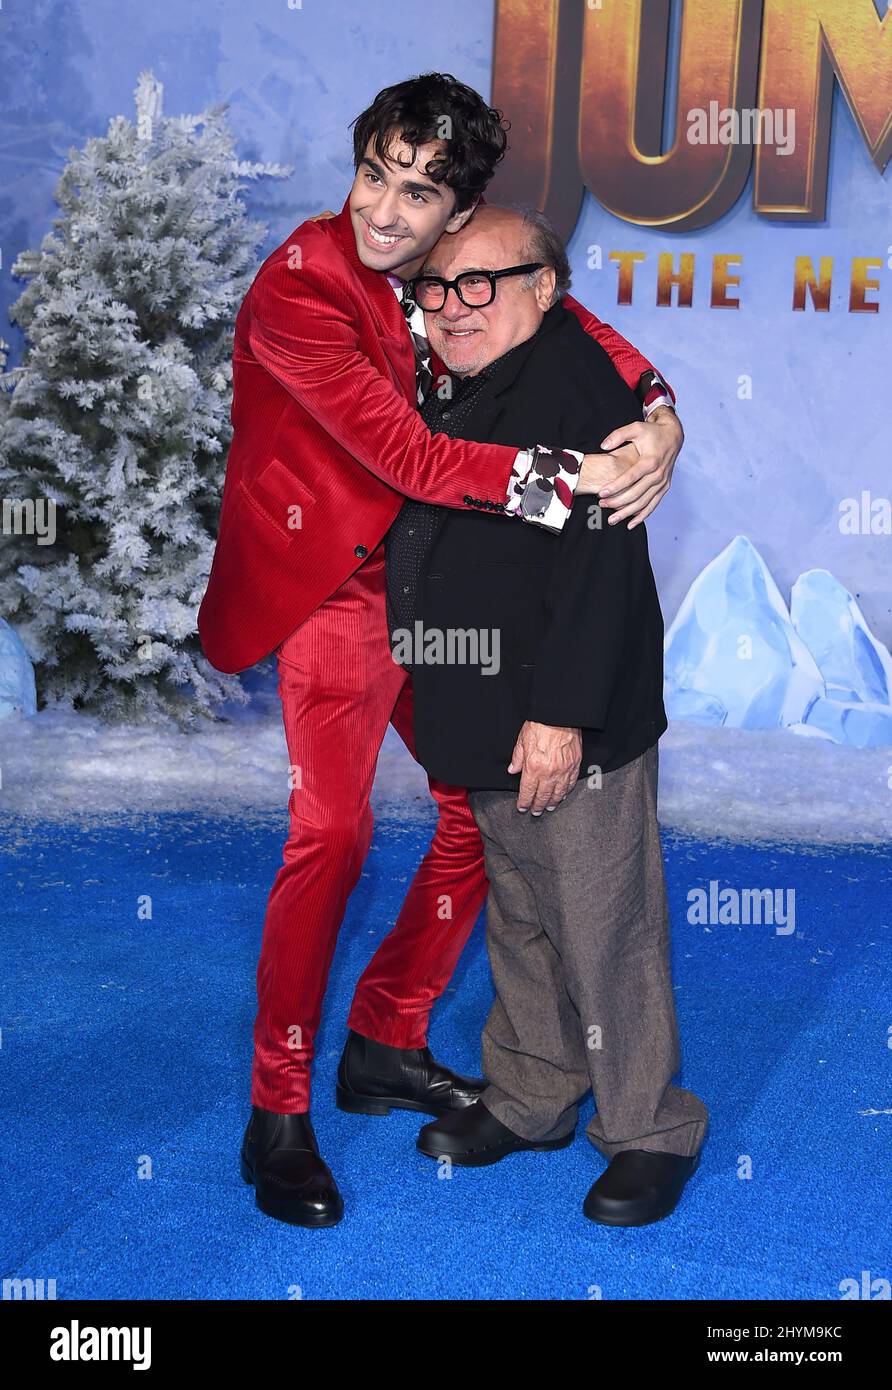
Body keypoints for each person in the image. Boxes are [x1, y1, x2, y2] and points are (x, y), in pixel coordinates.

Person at [198, 73, 685, 1228]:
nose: (384, 212)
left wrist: (660, 414)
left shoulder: (453, 268)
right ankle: (278, 1111)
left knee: (480, 809)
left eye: (418, 195)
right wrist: (579, 479)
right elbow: (409, 456)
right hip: (329, 592)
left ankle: (385, 1037)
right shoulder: (301, 289)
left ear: (457, 210)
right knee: (333, 830)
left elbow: (583, 329)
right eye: (375, 175)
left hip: (433, 586)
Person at [388, 204, 707, 1226]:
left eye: (479, 284)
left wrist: (560, 718)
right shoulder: (462, 380)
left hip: (565, 722)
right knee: (522, 918)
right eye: (436, 288)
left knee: (604, 926)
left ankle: (649, 1127)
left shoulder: (578, 392)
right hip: (486, 706)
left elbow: (599, 571)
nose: (451, 307)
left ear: (545, 286)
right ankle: (532, 1093)